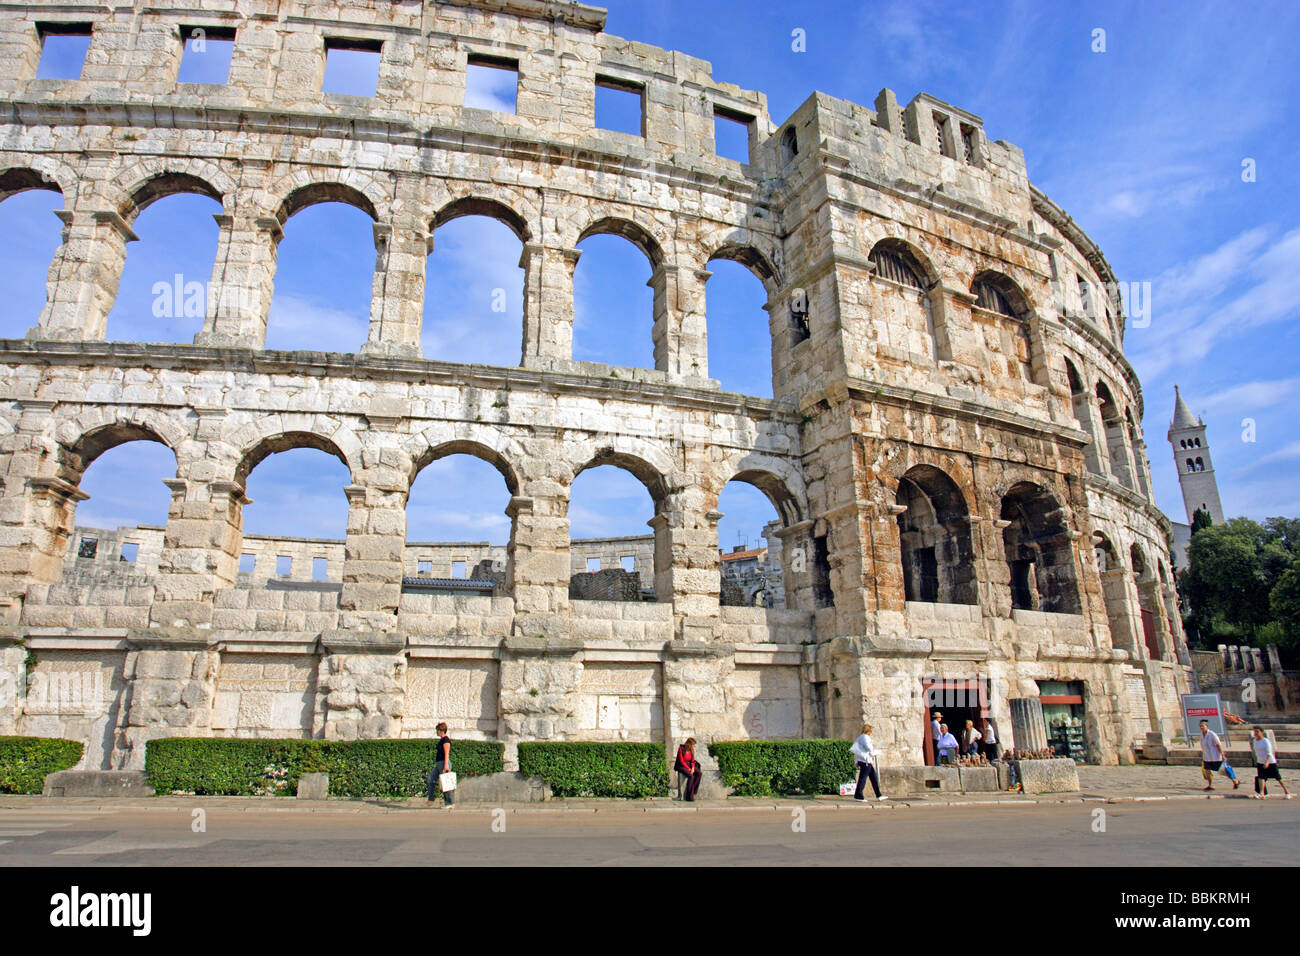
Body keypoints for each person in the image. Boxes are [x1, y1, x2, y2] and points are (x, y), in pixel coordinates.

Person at [1250, 726, 1293, 800]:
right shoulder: (1255, 741)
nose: (1255, 733)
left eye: (1257, 731)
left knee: (1278, 778)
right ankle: (1261, 793)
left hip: (1270, 762)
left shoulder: (1265, 741)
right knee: (1261, 777)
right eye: (1254, 731)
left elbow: (1269, 753)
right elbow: (1255, 750)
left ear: (1261, 732)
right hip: (1260, 761)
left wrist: (1267, 762)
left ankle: (1287, 792)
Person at [1198, 719, 1239, 791]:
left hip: (1216, 756)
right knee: (1207, 770)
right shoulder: (1201, 735)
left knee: (1224, 770)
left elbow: (1218, 744)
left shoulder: (1212, 734)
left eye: (1203, 726)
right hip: (1207, 757)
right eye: (1200, 726)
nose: (1201, 728)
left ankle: (1235, 781)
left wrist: (1222, 754)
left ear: (1206, 726)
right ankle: (1210, 785)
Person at [851, 722, 887, 802]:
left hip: (866, 761)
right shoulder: (865, 737)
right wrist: (873, 749)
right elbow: (868, 747)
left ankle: (878, 794)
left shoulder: (861, 737)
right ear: (868, 731)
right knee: (863, 778)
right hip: (865, 761)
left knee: (873, 778)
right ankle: (858, 795)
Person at [427, 721, 455, 808]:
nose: (436, 732)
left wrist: (446, 765)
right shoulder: (441, 740)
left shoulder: (446, 740)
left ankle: (450, 803)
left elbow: (447, 753)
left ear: (441, 730)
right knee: (431, 779)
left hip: (444, 763)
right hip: (439, 764)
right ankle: (430, 800)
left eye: (437, 730)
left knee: (446, 784)